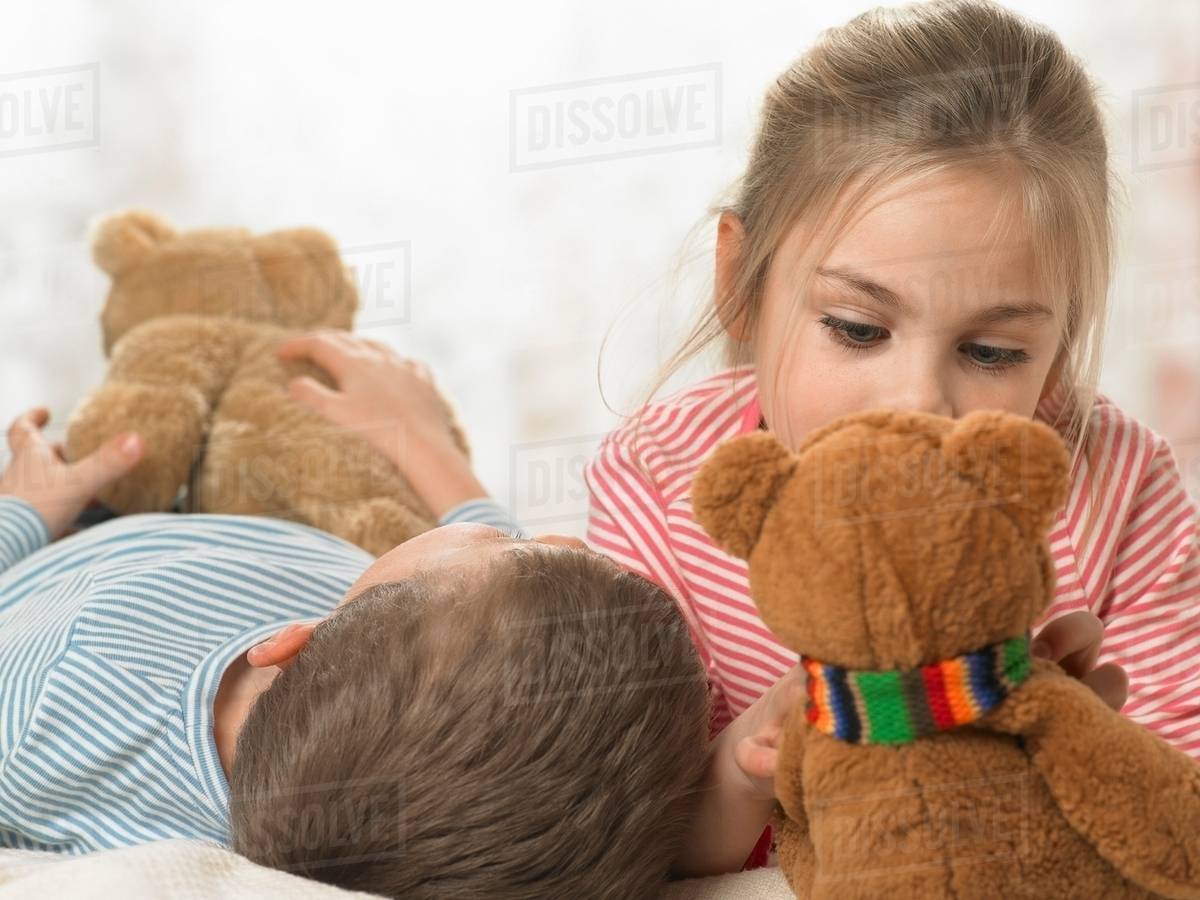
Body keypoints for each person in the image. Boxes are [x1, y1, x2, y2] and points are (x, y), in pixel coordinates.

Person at [575, 0, 1200, 871]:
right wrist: (747, 761)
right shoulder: (659, 477)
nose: (917, 402)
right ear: (742, 284)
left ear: (1057, 353)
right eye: (857, 329)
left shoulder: (1118, 485)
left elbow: (1175, 817)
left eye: (992, 352)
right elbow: (622, 846)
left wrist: (1063, 745)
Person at [0, 372, 719, 896]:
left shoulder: (59, 699)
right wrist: (420, 434)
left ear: (291, 644)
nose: (563, 534)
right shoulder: (395, 729)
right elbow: (517, 606)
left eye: (512, 543)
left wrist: (24, 511)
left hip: (62, 569)